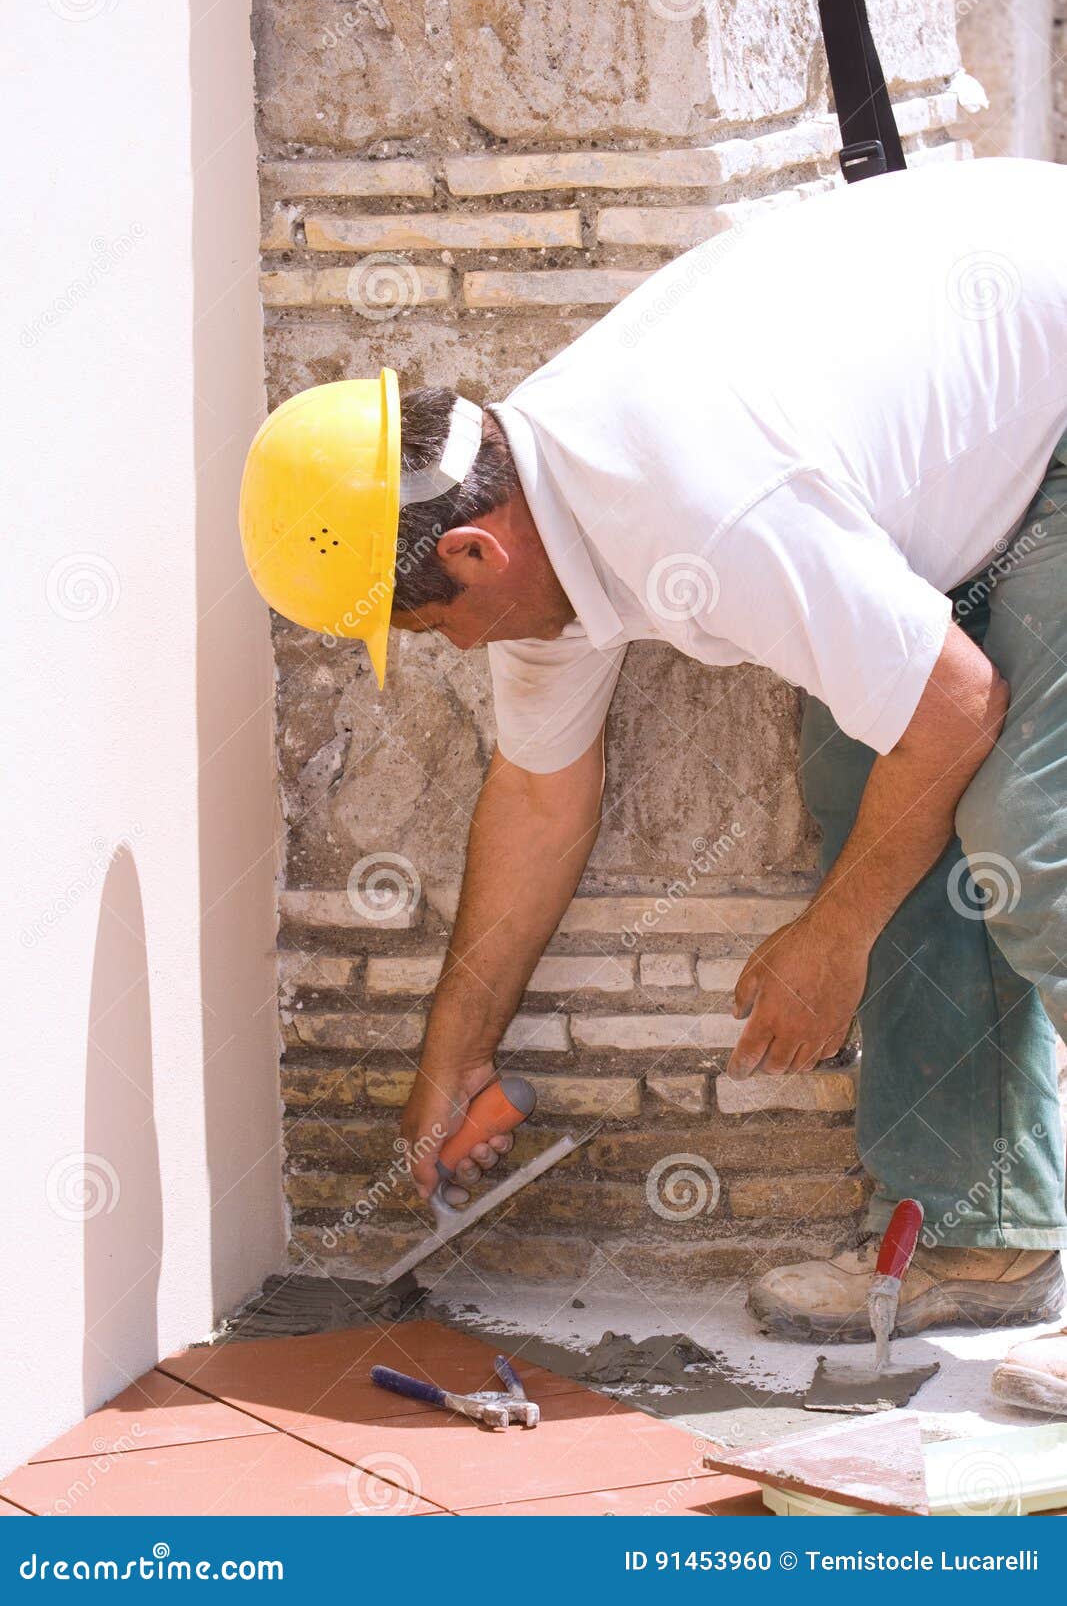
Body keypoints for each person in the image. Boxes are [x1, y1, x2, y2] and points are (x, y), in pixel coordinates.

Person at [240, 155, 1067, 1408]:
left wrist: (830, 939)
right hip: (975, 445)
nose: (446, 652)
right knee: (871, 787)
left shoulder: (692, 505)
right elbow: (537, 795)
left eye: (422, 627)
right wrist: (448, 1058)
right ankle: (979, 1229)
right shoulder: (533, 523)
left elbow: (956, 708)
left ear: (470, 549)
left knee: (1030, 832)